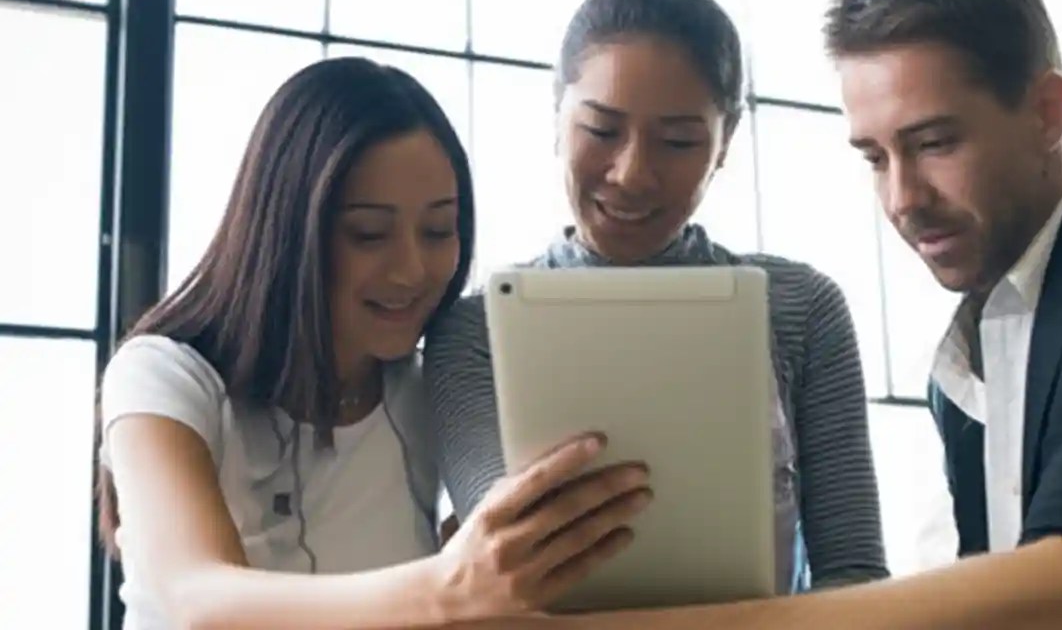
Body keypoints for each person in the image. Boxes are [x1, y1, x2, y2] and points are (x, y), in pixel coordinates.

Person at [445, 0, 1062, 630]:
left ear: (1047, 113)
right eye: (875, 157)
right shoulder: (964, 371)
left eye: (934, 143)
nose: (902, 199)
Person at [95, 57, 654, 630]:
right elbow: (198, 600)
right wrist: (450, 586)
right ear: (288, 229)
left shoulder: (426, 392)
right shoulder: (161, 377)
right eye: (368, 233)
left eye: (439, 230)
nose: (412, 270)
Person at [426, 0, 888, 593]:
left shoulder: (802, 307)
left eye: (677, 141)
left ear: (726, 142)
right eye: (600, 130)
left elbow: (853, 576)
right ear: (556, 115)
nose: (632, 173)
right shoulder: (476, 331)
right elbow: (505, 572)